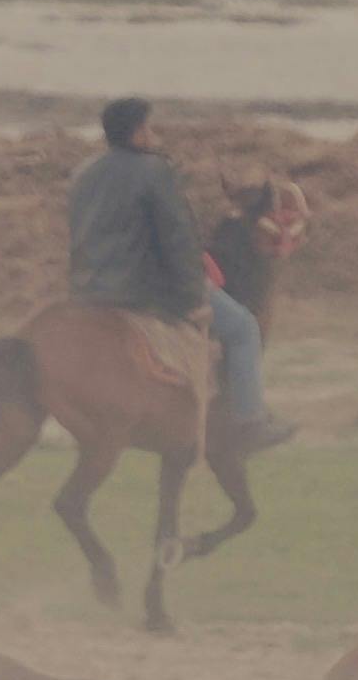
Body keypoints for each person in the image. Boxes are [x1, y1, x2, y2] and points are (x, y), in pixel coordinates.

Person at [66, 96, 287, 458]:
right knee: (243, 328)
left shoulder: (83, 173)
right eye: (149, 128)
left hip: (88, 290)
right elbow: (177, 241)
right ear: (136, 133)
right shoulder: (156, 171)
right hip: (145, 289)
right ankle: (250, 421)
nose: (153, 135)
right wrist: (193, 298)